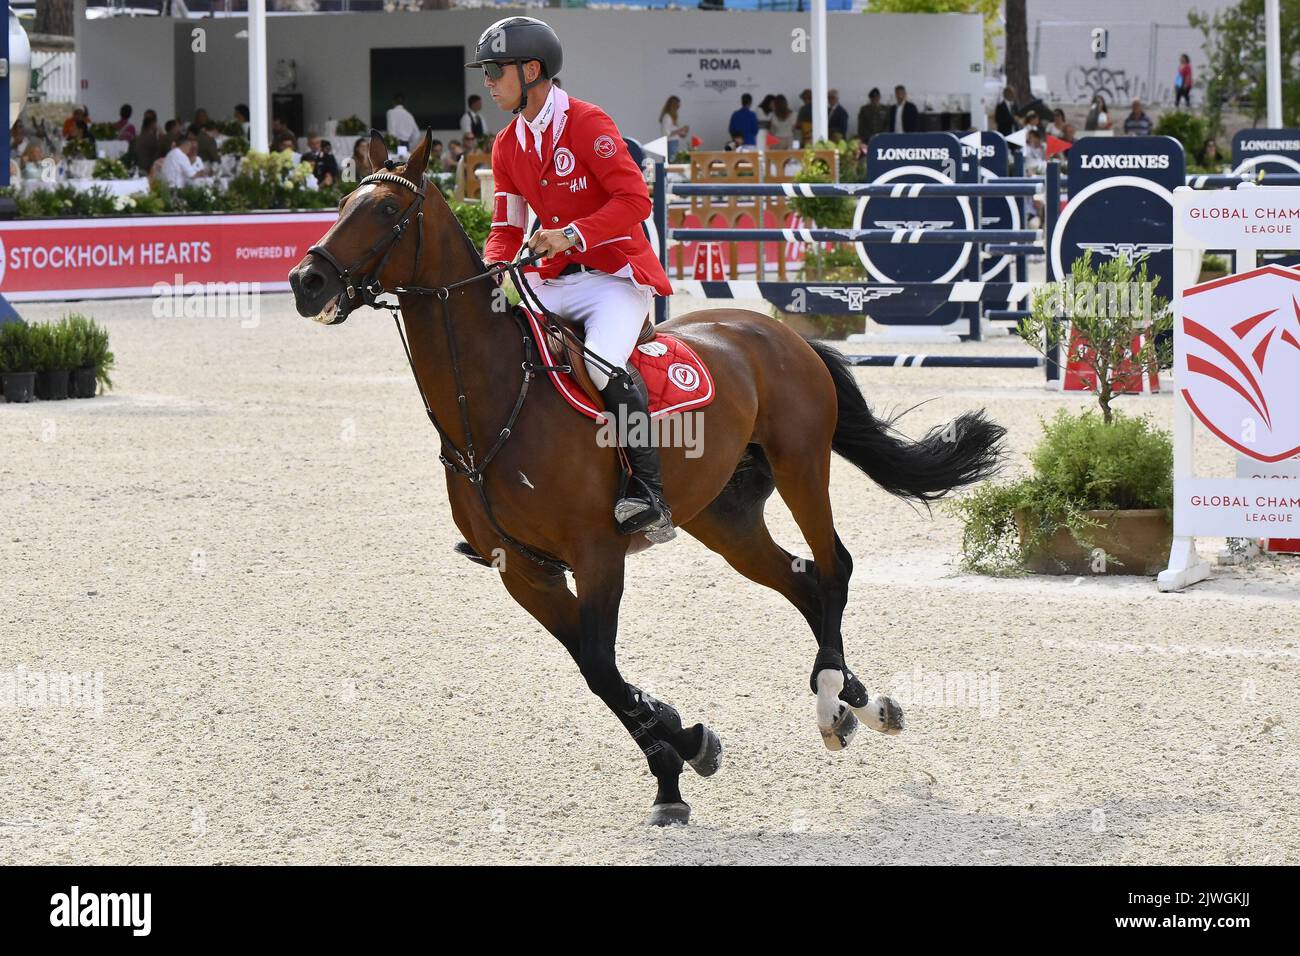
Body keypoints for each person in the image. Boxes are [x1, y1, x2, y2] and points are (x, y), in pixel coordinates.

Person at [470, 15, 677, 541]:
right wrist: (495, 267)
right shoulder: (508, 144)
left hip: (613, 278)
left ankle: (648, 491)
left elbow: (635, 201)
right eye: (487, 72)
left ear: (531, 70)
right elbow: (504, 226)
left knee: (603, 367)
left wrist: (571, 235)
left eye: (496, 70)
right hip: (553, 278)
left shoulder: (587, 123)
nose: (488, 81)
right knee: (498, 352)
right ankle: (506, 498)